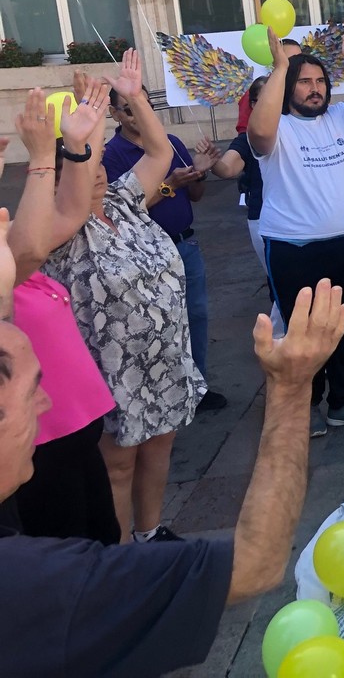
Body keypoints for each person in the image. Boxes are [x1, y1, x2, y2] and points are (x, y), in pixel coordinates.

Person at [0, 272, 344, 678]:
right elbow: (253, 565)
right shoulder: (32, 584)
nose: (45, 404)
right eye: (32, 391)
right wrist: (291, 387)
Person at [41, 50, 205, 543]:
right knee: (118, 464)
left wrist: (135, 98)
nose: (93, 168)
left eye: (95, 158)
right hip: (111, 370)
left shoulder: (124, 199)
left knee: (160, 448)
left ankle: (150, 532)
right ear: (58, 173)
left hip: (164, 359)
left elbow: (160, 154)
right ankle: (116, 554)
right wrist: (76, 139)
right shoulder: (58, 228)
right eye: (79, 160)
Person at [250, 21, 344, 437]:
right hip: (296, 249)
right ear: (287, 87)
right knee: (302, 331)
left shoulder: (342, 118)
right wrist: (280, 68)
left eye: (319, 81)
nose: (314, 88)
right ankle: (304, 405)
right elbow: (257, 132)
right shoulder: (277, 130)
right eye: (303, 81)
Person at [5, 82, 119, 545]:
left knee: (103, 540)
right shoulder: (12, 256)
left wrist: (76, 146)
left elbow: (71, 213)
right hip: (35, 442)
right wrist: (41, 161)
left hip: (74, 429)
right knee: (71, 553)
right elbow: (31, 246)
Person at [103, 82, 225, 412]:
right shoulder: (111, 155)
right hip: (143, 253)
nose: (138, 112)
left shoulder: (171, 143)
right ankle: (166, 388)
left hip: (185, 244)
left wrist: (199, 173)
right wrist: (169, 185)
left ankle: (197, 386)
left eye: (143, 103)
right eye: (128, 107)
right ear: (114, 113)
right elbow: (122, 209)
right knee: (158, 322)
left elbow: (196, 196)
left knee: (196, 315)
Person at [198, 77, 285, 337]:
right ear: (253, 104)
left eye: (276, 96)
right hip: (266, 220)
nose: (271, 104)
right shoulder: (248, 138)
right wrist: (212, 162)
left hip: (307, 217)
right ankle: (280, 339)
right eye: (261, 99)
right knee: (281, 280)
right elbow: (228, 167)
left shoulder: (303, 128)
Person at [235, 37, 301, 133]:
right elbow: (245, 133)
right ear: (275, 61)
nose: (298, 64)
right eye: (290, 60)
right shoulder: (259, 91)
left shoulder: (308, 89)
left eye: (301, 58)